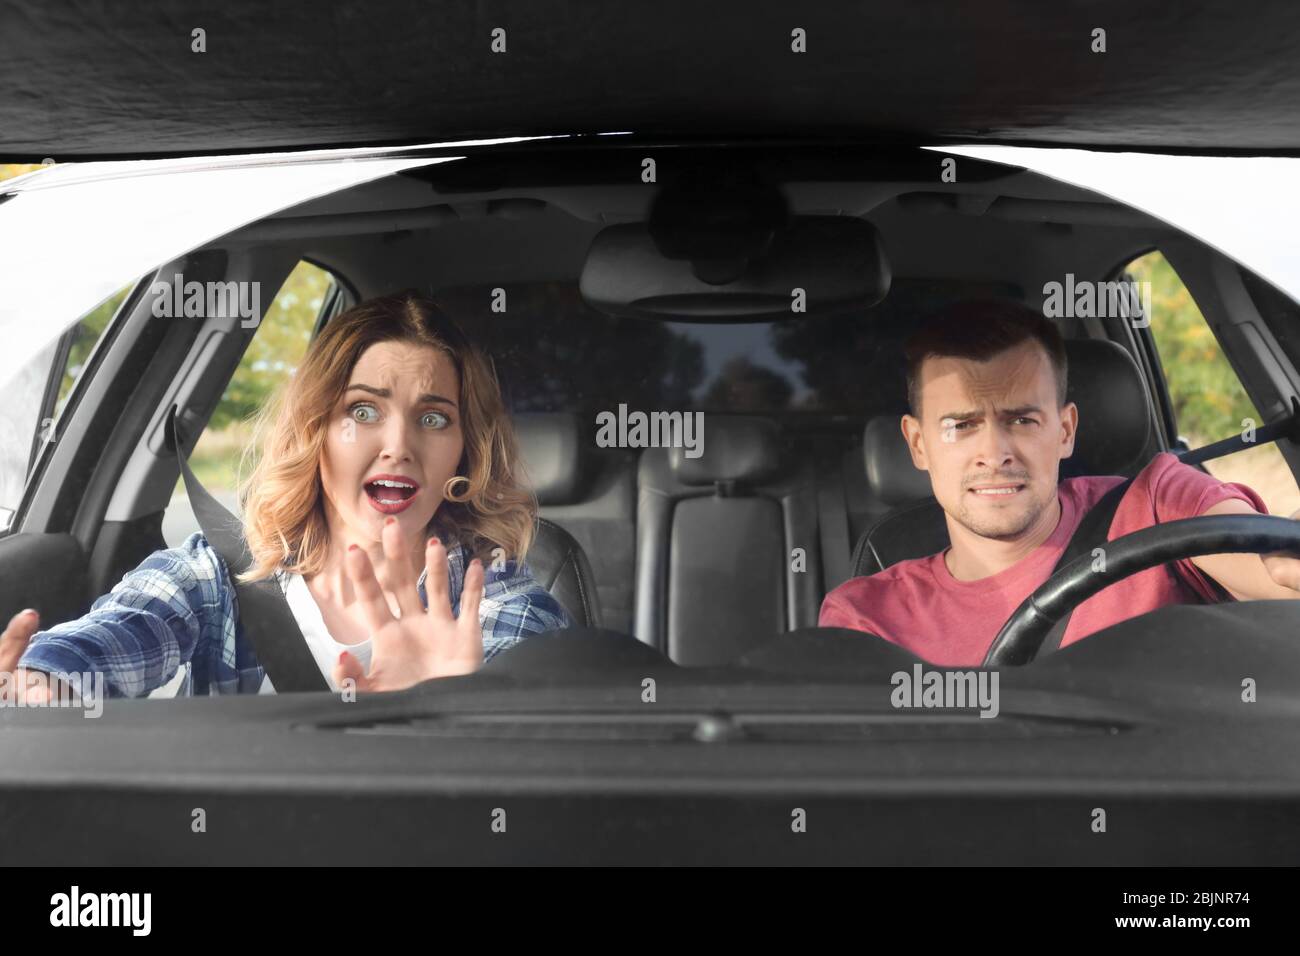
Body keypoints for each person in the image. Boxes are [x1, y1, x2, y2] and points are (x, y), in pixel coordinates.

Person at [3, 291, 572, 700]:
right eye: (363, 411)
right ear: (314, 432)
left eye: (433, 417)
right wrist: (43, 682)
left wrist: (450, 715)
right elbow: (113, 636)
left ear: (463, 454)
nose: (399, 446)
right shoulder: (218, 576)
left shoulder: (497, 602)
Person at [819, 300, 1300, 665]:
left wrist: (1282, 561)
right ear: (919, 444)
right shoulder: (868, 618)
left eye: (1023, 420)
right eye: (961, 425)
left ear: (1065, 430)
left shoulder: (1157, 504)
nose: (994, 453)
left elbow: (1273, 566)